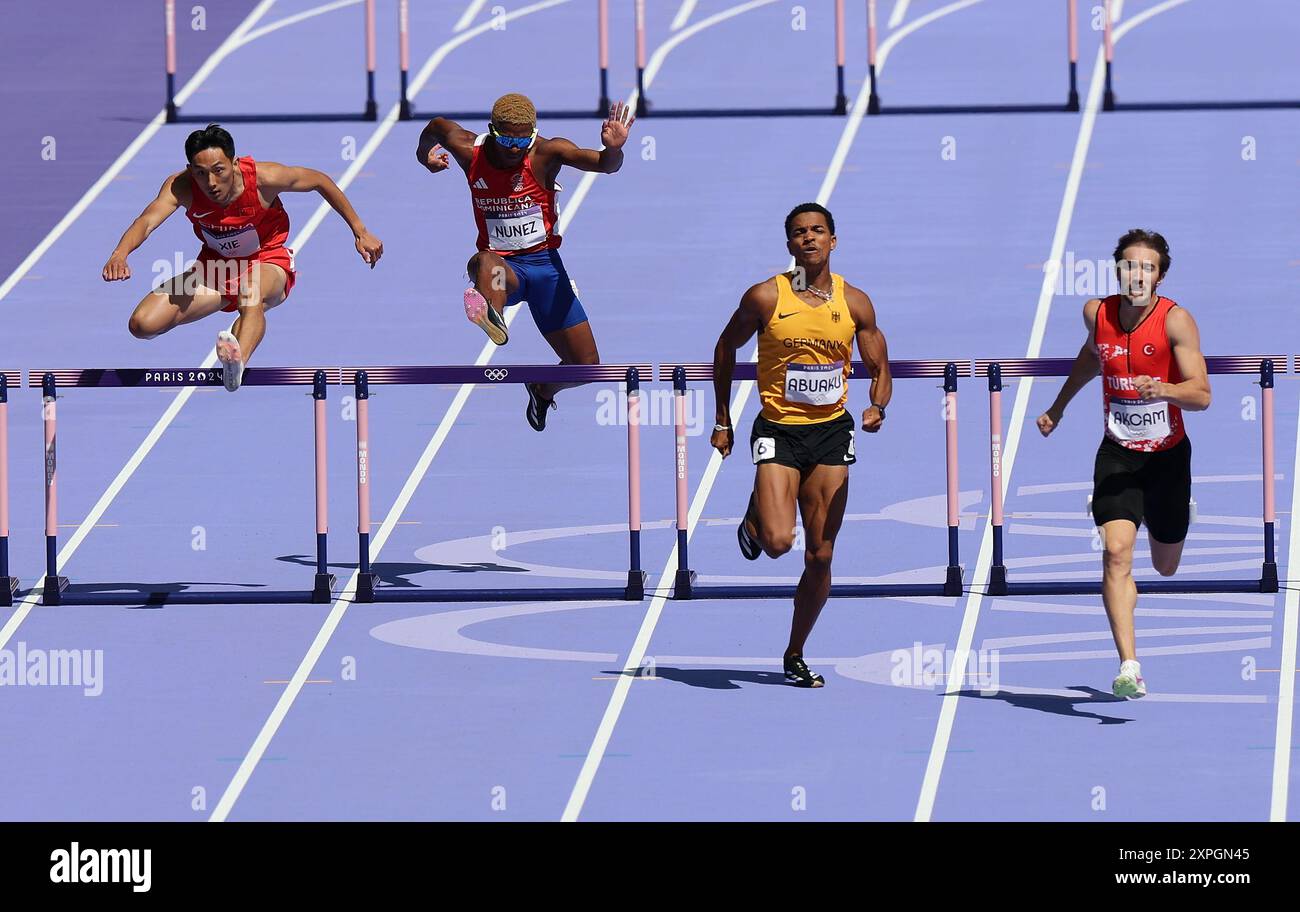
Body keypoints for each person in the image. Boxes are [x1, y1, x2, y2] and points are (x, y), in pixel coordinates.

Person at [710, 203, 892, 688]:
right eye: (798, 233)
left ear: (834, 241)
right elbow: (725, 348)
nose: (808, 238)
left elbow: (880, 366)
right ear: (789, 244)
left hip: (832, 432)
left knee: (821, 557)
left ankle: (795, 651)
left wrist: (878, 407)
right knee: (776, 543)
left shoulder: (855, 303)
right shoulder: (766, 297)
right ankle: (756, 516)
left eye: (817, 231)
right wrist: (722, 418)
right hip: (778, 430)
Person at [1037, 229, 1211, 698]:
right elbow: (1090, 360)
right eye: (1130, 266)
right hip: (1117, 453)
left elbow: (1203, 395)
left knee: (1165, 565)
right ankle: (1129, 666)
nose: (1137, 274)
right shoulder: (1098, 314)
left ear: (1159, 275)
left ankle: (1166, 515)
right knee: (1115, 553)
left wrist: (1166, 389)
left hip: (1168, 457)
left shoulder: (1177, 321)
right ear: (1118, 270)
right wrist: (1058, 407)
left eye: (1147, 267)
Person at [103, 123, 383, 391]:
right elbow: (146, 221)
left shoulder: (265, 178)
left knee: (251, 292)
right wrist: (120, 253)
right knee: (142, 324)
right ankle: (234, 345)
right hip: (213, 268)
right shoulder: (181, 187)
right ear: (190, 170)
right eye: (201, 173)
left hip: (267, 260)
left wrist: (360, 231)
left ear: (234, 163)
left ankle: (236, 363)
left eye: (218, 170)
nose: (211, 182)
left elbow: (320, 181)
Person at [414, 94, 634, 430]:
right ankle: (493, 313)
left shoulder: (547, 153)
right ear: (492, 131)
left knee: (586, 366)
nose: (515, 148)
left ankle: (542, 389)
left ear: (532, 134)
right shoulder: (468, 150)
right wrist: (424, 156)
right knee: (486, 264)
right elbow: (434, 127)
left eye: (522, 140)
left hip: (546, 269)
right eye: (506, 140)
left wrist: (613, 149)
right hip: (504, 271)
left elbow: (605, 165)